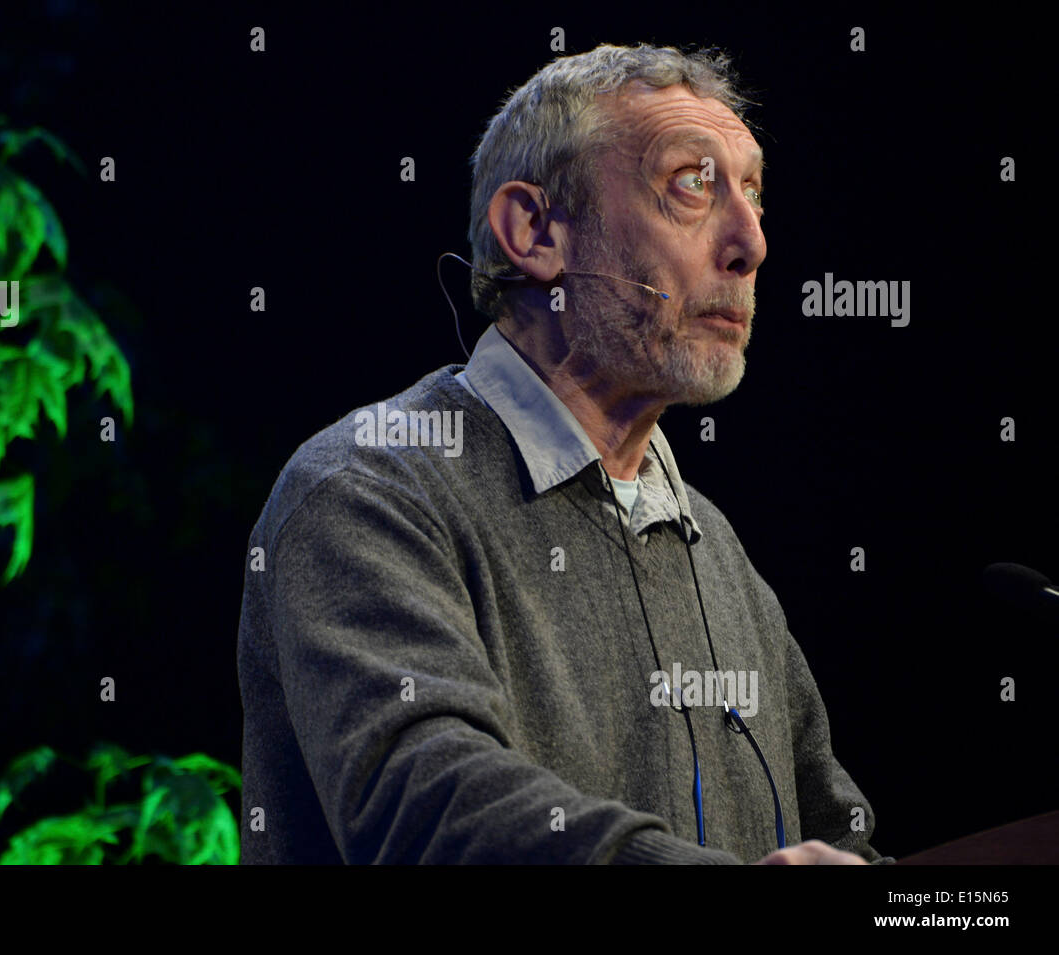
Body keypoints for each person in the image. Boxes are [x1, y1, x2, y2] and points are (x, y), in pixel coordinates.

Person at [237, 42, 891, 864]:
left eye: (755, 193)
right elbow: (432, 813)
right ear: (536, 230)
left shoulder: (714, 548)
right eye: (694, 183)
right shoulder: (366, 492)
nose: (751, 243)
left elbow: (836, 832)